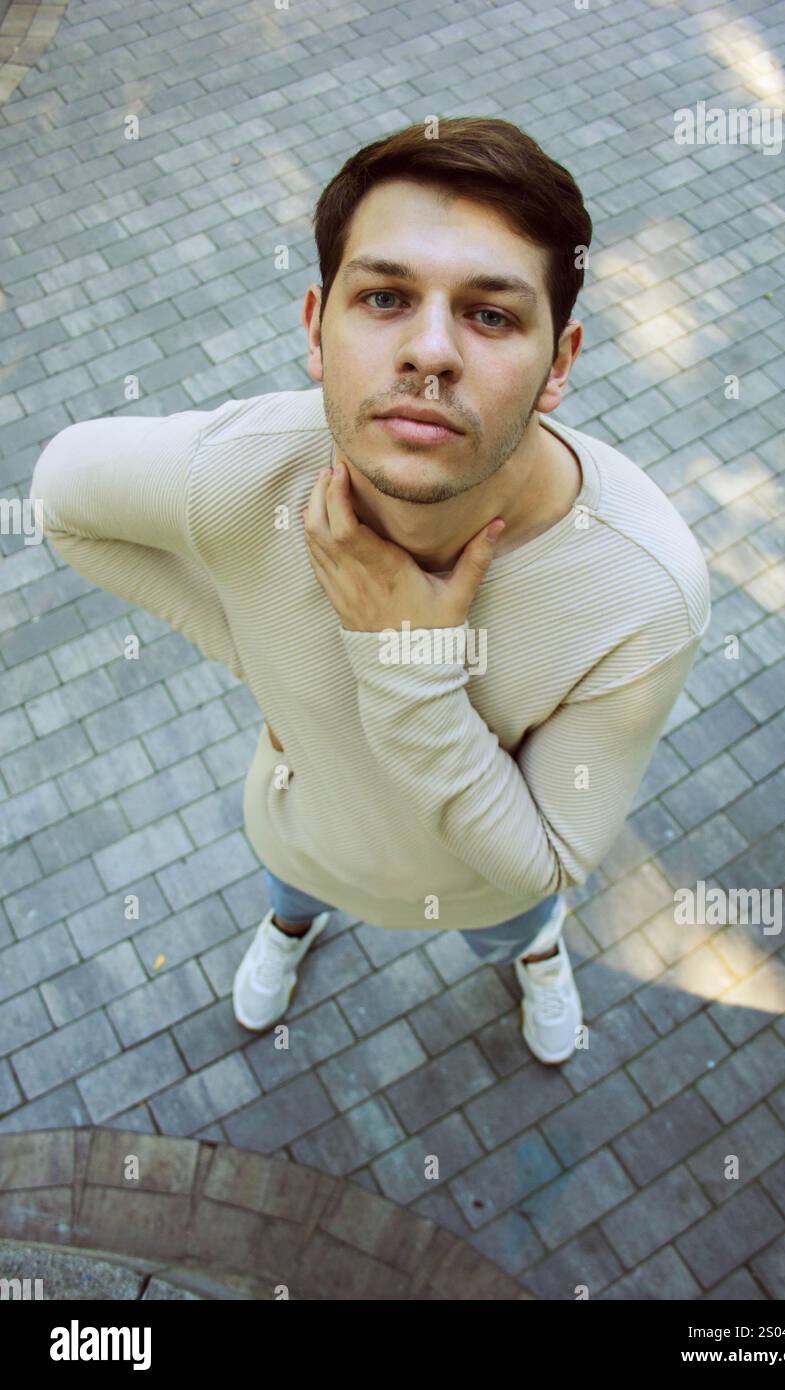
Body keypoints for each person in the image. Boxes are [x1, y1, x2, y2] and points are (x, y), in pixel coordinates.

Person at [30, 117, 711, 1068]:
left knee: (519, 922)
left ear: (559, 363)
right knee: (291, 890)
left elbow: (549, 856)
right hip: (304, 834)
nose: (429, 353)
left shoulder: (644, 589)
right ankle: (290, 932)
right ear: (317, 327)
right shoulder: (241, 473)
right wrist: (257, 654)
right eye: (385, 296)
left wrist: (409, 661)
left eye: (490, 315)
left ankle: (539, 955)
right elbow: (61, 502)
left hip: (484, 890)